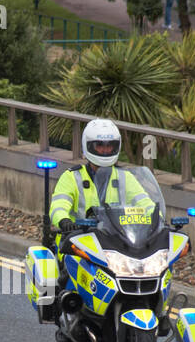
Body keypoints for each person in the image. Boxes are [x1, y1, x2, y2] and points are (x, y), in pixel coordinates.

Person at [48, 118, 155, 276]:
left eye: (109, 146)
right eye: (100, 145)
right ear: (88, 146)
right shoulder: (72, 177)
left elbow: (145, 202)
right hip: (77, 240)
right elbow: (58, 206)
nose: (105, 150)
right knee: (71, 274)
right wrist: (65, 221)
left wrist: (157, 219)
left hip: (117, 241)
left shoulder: (125, 177)